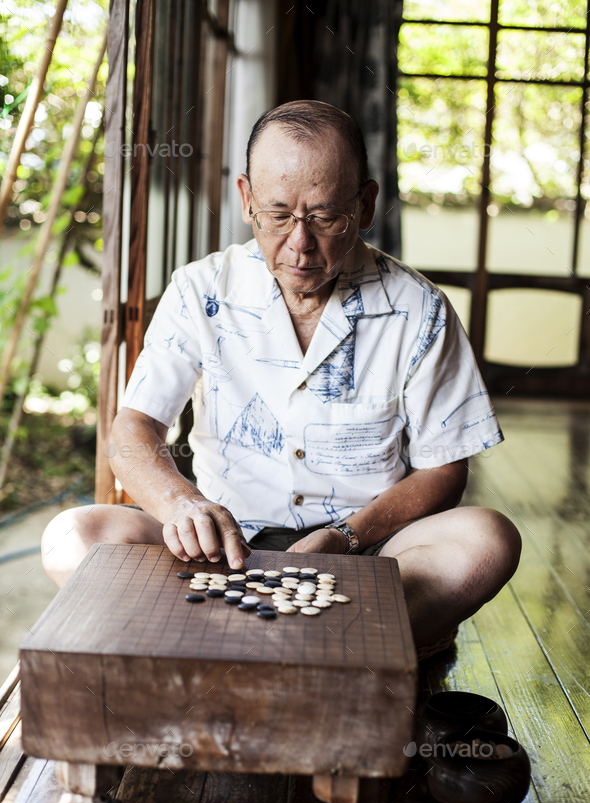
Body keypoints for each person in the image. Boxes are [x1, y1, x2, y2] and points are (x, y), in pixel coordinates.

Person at [41, 100, 521, 658]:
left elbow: (445, 468)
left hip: (364, 553)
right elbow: (133, 432)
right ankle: (351, 646)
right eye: (278, 215)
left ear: (365, 206)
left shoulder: (419, 309)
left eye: (324, 217)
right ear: (246, 200)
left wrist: (346, 538)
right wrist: (181, 507)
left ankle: (231, 643)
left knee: (487, 540)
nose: (300, 243)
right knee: (72, 537)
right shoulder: (201, 292)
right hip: (221, 550)